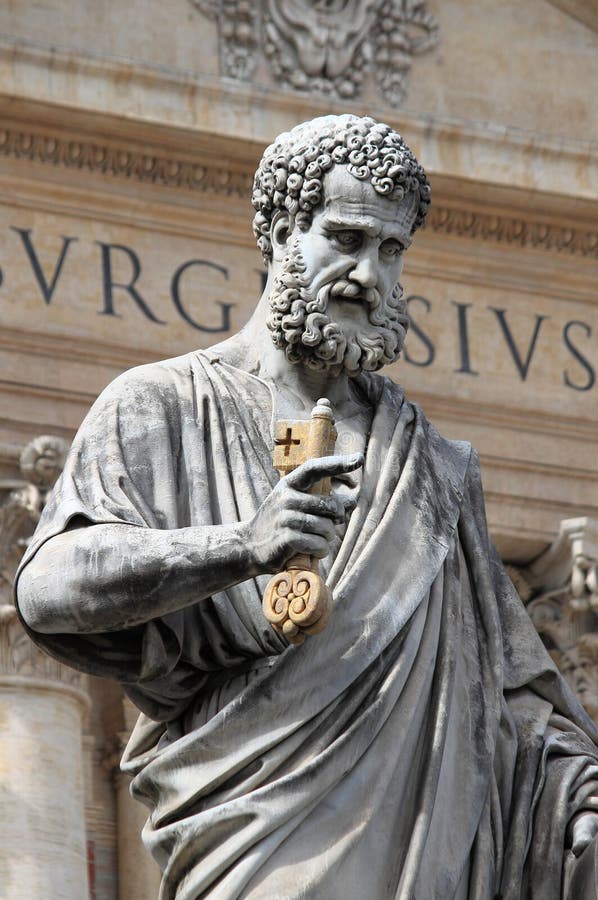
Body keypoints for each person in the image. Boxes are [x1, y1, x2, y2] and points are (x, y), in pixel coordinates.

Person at [15, 115, 598, 899]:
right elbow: (47, 588)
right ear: (282, 232)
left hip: (431, 856)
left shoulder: (430, 465)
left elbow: (516, 694)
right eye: (347, 238)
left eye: (392, 251)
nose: (370, 274)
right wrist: (239, 545)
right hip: (256, 848)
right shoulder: (161, 405)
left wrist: (574, 799)